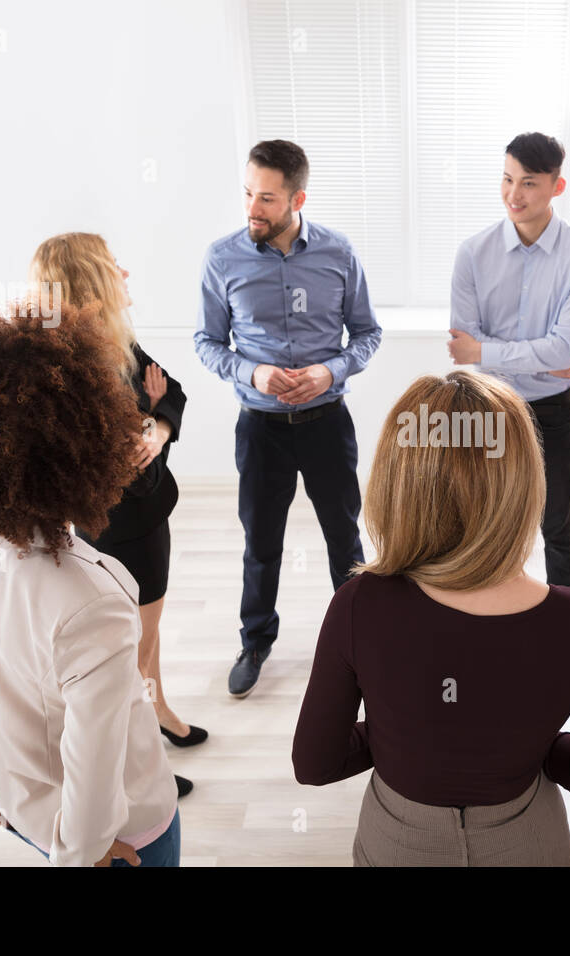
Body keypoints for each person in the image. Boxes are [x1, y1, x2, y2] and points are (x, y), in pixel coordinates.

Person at [292, 370, 570, 867]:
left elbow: (315, 763)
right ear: (524, 480)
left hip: (399, 843)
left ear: (397, 482)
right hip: (530, 843)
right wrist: (527, 739)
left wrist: (396, 734)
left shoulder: (359, 605)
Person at [0, 303, 181, 866]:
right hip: (123, 836)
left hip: (25, 812)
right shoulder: (93, 598)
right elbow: (94, 762)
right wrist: (82, 853)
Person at [195, 139, 382, 698]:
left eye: (267, 198)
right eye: (249, 193)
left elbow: (367, 334)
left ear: (298, 198)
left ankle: (361, 644)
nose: (253, 207)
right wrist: (251, 373)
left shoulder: (338, 253)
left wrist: (330, 371)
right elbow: (207, 342)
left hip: (327, 424)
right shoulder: (221, 258)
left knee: (343, 538)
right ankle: (256, 641)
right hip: (260, 431)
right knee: (261, 541)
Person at [30, 233, 207, 780]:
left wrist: (154, 424)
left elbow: (170, 389)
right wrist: (148, 426)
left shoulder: (115, 342)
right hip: (120, 527)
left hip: (147, 519)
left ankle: (157, 713)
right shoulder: (69, 366)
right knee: (133, 644)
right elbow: (125, 471)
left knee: (144, 637)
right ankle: (136, 766)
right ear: (90, 281)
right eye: (113, 266)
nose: (125, 273)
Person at [448, 131, 570, 587]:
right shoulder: (473, 253)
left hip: (549, 410)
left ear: (557, 186)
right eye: (507, 179)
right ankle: (484, 616)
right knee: (482, 525)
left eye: (529, 183)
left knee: (555, 527)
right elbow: (464, 349)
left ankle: (569, 629)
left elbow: (561, 350)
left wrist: (488, 351)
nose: (513, 195)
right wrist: (540, 357)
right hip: (486, 404)